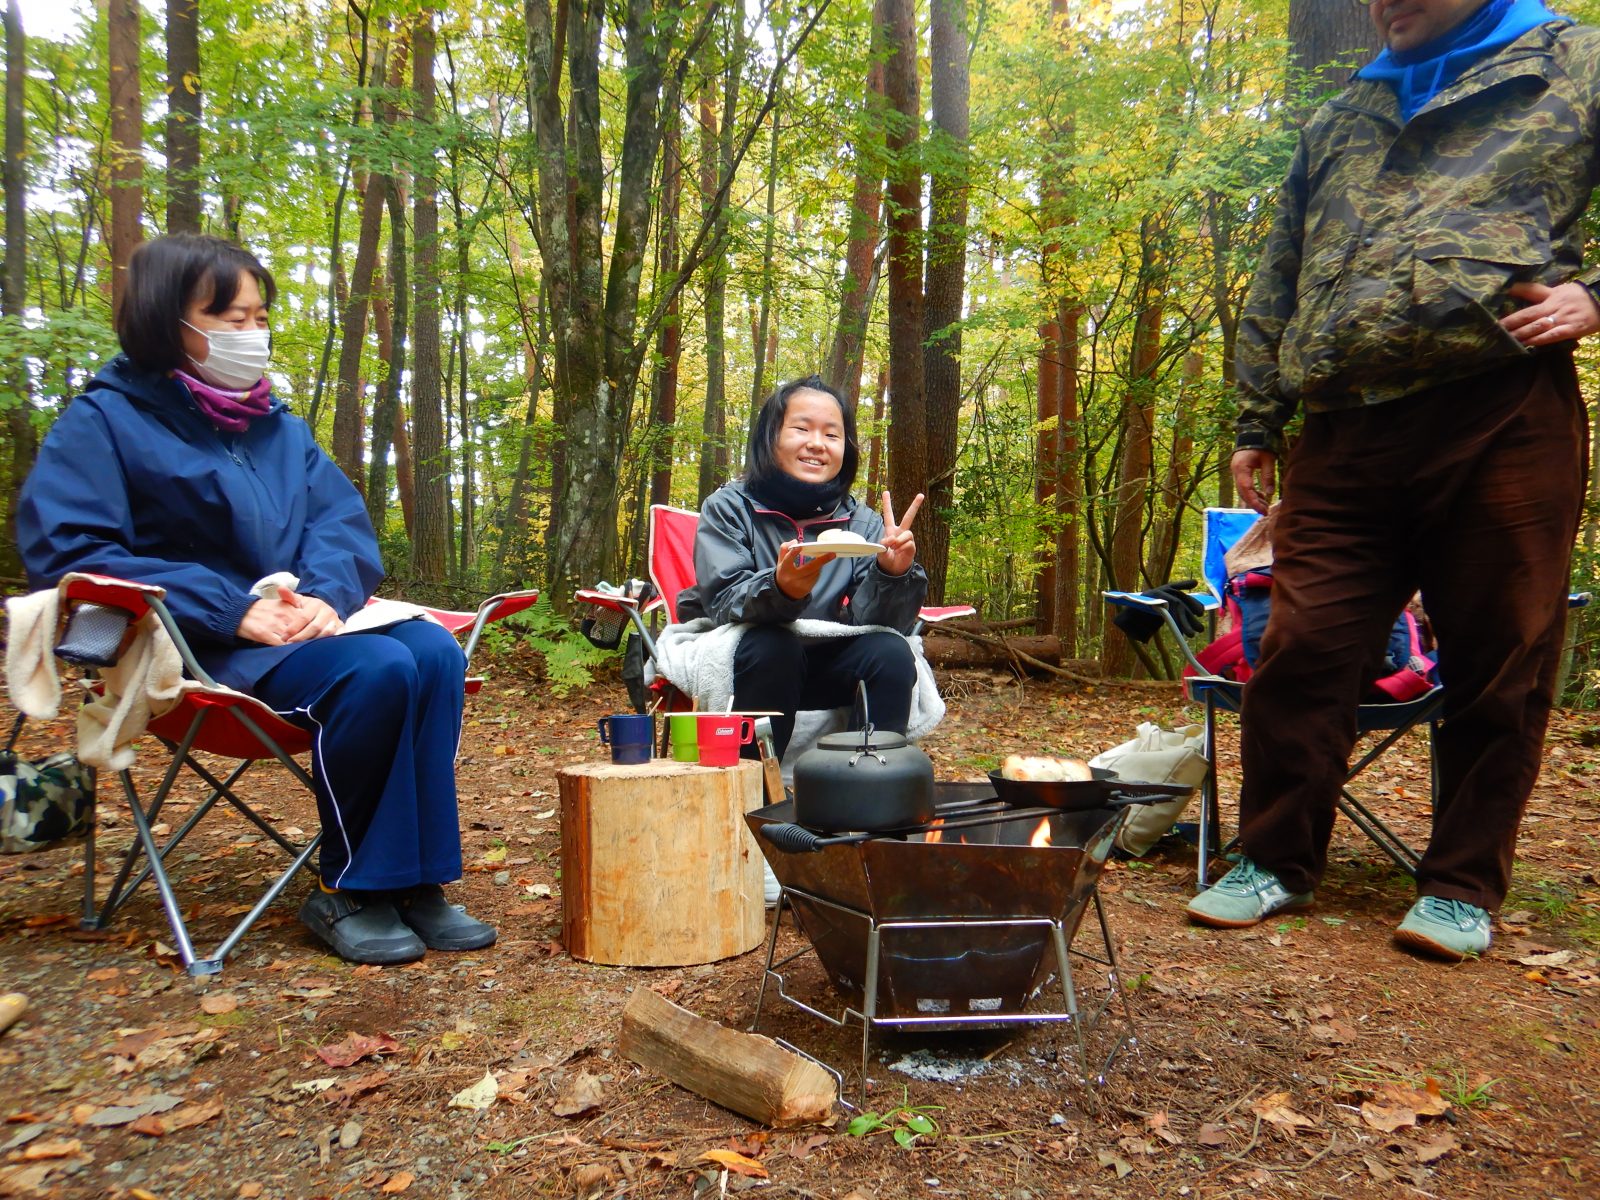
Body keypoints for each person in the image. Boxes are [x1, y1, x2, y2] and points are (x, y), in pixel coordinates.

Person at [1185, 0, 1595, 960]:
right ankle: (1274, 861)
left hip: (1501, 408)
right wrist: (1257, 418)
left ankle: (1458, 885)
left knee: (1501, 654)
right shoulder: (1343, 112)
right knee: (1301, 643)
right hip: (1342, 427)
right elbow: (1281, 266)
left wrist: (1594, 297)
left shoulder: (1573, 62)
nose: (1381, 1)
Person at [16, 234, 495, 966]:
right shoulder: (105, 421)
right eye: (229, 318)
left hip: (297, 641)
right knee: (375, 671)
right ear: (167, 321)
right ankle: (358, 889)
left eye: (258, 315)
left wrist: (326, 596)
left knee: (430, 651)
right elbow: (71, 551)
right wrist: (225, 606)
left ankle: (418, 883)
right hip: (188, 657)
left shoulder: (279, 428)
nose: (252, 334)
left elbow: (341, 526)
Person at [666, 375, 931, 761]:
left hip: (827, 665)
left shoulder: (863, 522)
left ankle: (869, 795)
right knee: (776, 646)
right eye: (801, 429)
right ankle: (753, 795)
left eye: (832, 435)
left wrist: (891, 576)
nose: (816, 444)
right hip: (752, 664)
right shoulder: (729, 508)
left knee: (890, 651)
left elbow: (873, 622)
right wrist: (781, 587)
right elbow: (724, 600)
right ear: (771, 437)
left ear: (846, 448)